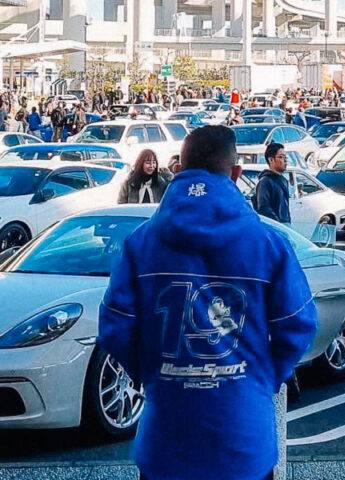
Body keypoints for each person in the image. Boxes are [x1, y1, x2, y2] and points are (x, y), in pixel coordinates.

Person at [98, 125, 317, 480]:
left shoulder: (140, 244)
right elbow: (300, 323)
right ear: (236, 173)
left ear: (179, 171)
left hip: (165, 434)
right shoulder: (268, 242)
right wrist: (265, 376)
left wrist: (149, 372)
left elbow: (114, 326)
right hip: (243, 435)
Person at [253, 142, 291, 223]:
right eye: (280, 157)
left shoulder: (283, 181)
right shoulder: (265, 182)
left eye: (285, 157)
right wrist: (278, 225)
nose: (284, 160)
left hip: (285, 227)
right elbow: (263, 208)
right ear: (271, 160)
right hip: (276, 228)